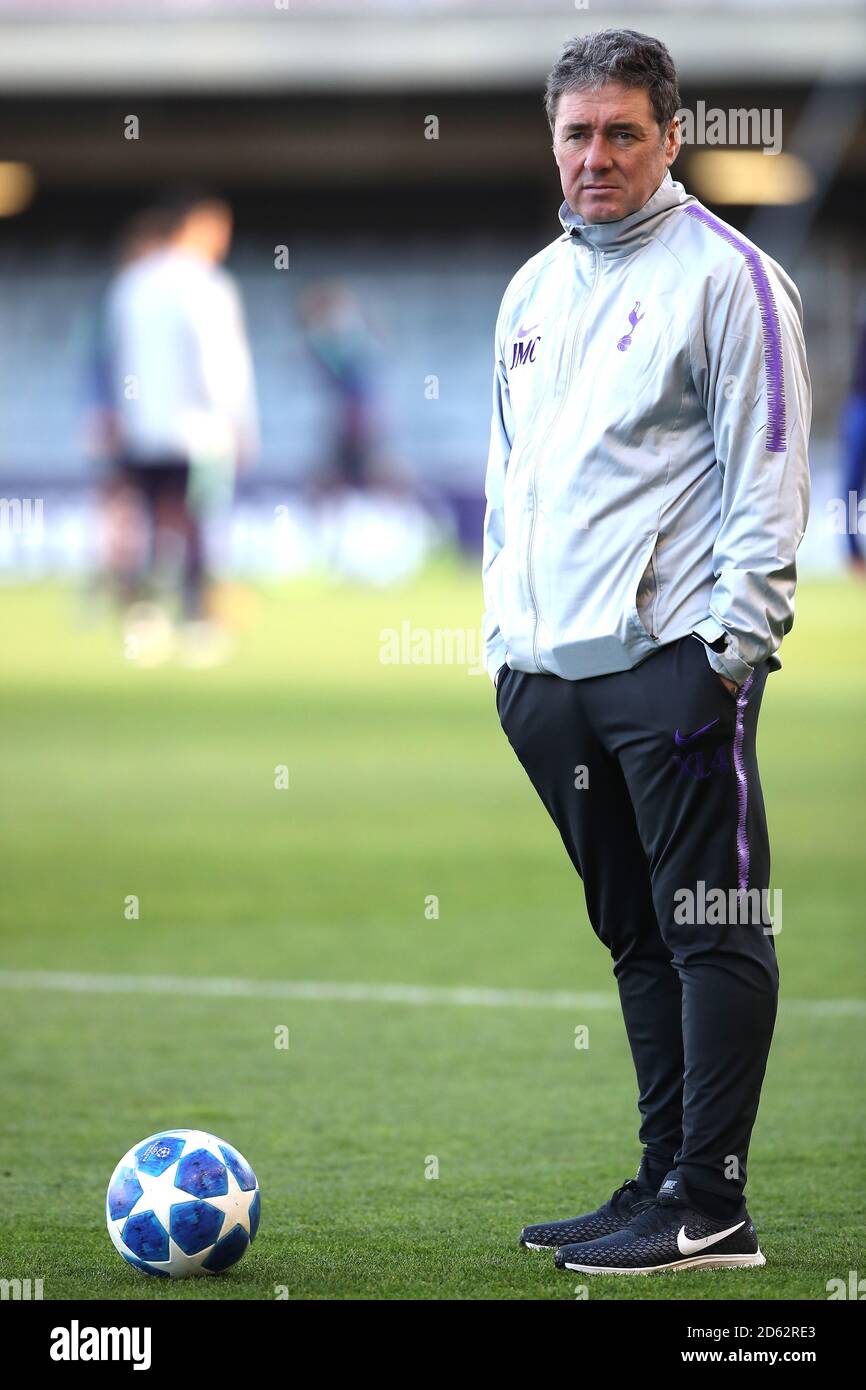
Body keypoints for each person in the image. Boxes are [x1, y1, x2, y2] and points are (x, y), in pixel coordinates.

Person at [482, 29, 810, 1276]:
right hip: (546, 682)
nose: (596, 155)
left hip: (673, 665)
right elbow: (510, 483)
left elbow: (767, 475)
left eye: (624, 131)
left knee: (712, 924)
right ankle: (658, 1180)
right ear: (551, 141)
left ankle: (711, 1201)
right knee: (633, 933)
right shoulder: (528, 289)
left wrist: (731, 652)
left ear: (672, 137)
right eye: (576, 132)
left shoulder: (729, 277)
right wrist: (503, 651)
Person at [105, 190, 258, 640]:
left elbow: (115, 359)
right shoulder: (207, 286)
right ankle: (197, 619)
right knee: (195, 522)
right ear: (196, 227)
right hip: (198, 430)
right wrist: (239, 423)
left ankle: (144, 617)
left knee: (151, 520)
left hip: (142, 428)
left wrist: (119, 414)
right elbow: (218, 364)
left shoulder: (131, 284)